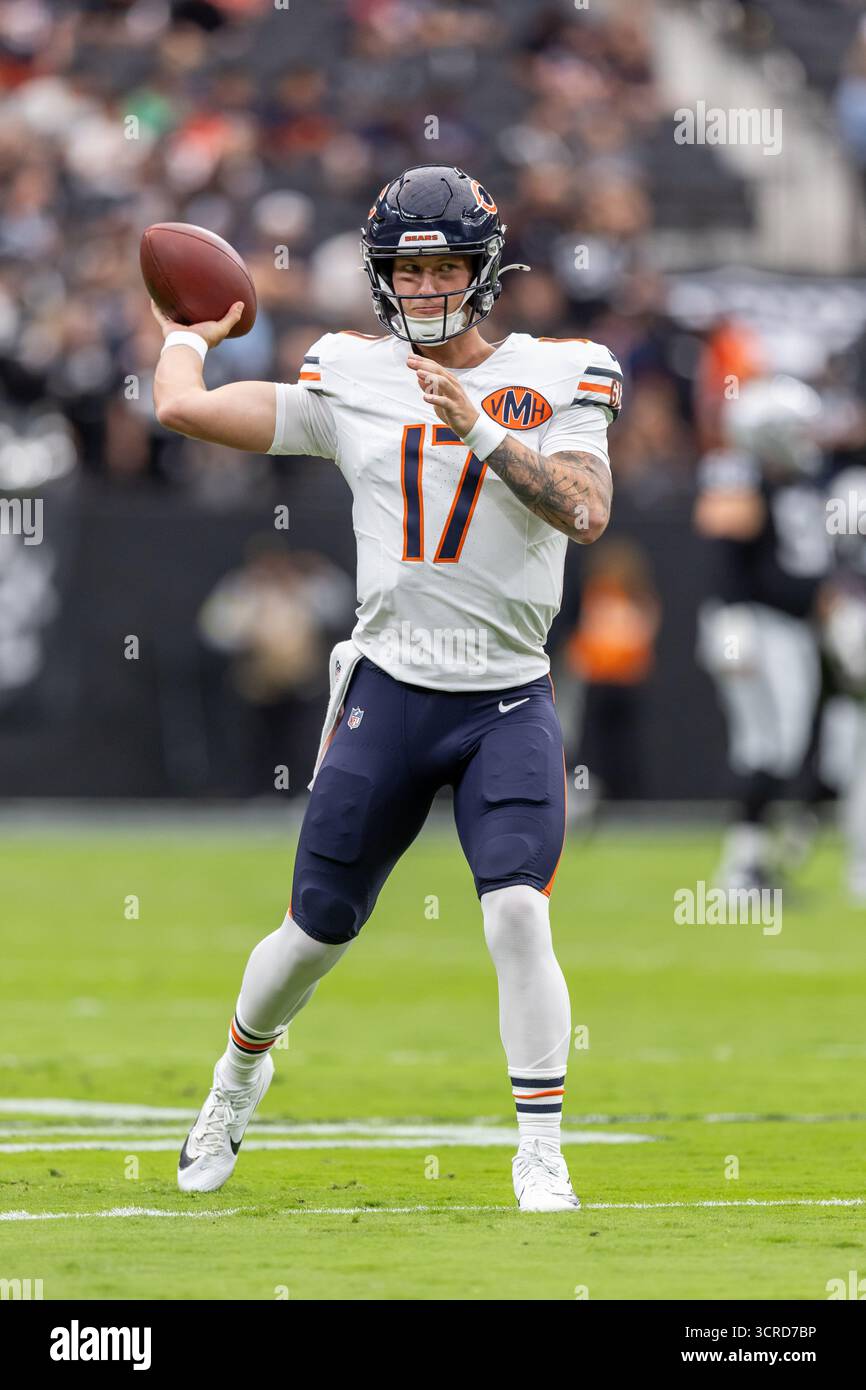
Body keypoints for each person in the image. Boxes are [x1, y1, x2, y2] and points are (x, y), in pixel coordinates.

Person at [151, 164, 622, 1212]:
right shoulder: (346, 375)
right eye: (405, 272)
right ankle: (236, 1075)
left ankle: (539, 1147)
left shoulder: (563, 369)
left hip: (505, 695)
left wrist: (486, 430)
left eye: (443, 266)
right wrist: (188, 324)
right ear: (380, 280)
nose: (422, 289)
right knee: (313, 931)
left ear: (482, 270)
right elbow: (180, 405)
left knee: (515, 917)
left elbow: (585, 513)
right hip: (390, 689)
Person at [694, 376, 831, 891]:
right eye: (797, 429)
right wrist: (731, 620)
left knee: (779, 747)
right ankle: (740, 870)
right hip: (753, 623)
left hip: (787, 628)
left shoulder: (797, 483)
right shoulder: (737, 476)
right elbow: (725, 556)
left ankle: (750, 865)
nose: (808, 439)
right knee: (763, 746)